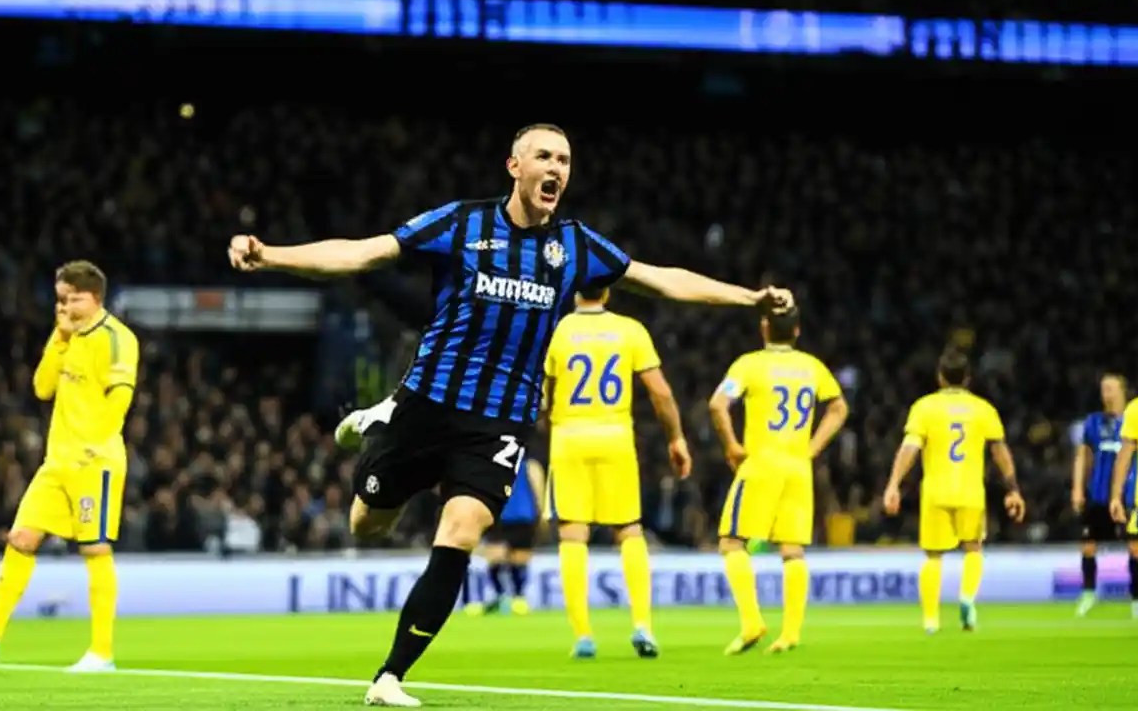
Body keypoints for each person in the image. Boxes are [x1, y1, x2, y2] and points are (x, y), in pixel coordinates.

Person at [229, 123, 792, 707]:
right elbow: (363, 253)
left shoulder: (577, 246)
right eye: (544, 156)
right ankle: (374, 424)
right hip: (428, 403)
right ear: (514, 166)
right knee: (366, 523)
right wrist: (270, 254)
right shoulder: (461, 224)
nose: (556, 168)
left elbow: (661, 280)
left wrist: (746, 297)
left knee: (461, 532)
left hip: (499, 422)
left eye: (566, 160)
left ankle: (389, 676)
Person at [0, 260, 140, 672]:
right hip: (56, 462)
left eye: (73, 299)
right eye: (60, 298)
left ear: (95, 298)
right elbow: (42, 387)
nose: (65, 306)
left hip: (94, 461)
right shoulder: (68, 336)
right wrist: (60, 336)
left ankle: (101, 652)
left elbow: (120, 398)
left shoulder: (118, 338)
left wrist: (92, 444)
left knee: (95, 548)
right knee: (21, 539)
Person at [543, 284, 690, 660]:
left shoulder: (556, 329)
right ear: (607, 292)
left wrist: (547, 420)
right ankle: (643, 625)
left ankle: (584, 636)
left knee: (573, 535)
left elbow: (541, 393)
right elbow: (660, 392)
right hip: (615, 437)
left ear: (575, 291)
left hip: (570, 437)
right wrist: (676, 438)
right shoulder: (630, 330)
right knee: (629, 530)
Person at [709, 307, 849, 655]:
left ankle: (751, 621)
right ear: (797, 331)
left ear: (764, 327)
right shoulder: (812, 367)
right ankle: (790, 633)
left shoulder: (749, 364)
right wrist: (813, 448)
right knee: (792, 550)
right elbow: (839, 408)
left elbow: (717, 405)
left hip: (762, 462)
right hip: (798, 467)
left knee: (731, 542)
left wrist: (731, 446)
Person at [883, 350, 1025, 634]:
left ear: (940, 376)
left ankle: (931, 620)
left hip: (936, 490)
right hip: (971, 491)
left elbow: (910, 447)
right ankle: (966, 598)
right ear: (968, 378)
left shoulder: (925, 407)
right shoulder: (982, 409)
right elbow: (1000, 451)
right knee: (973, 548)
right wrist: (1013, 489)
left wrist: (893, 484)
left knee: (933, 556)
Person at [1072, 373, 1138, 618]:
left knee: (1135, 547)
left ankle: (1137, 599)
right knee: (1089, 545)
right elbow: (1083, 456)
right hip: (1099, 493)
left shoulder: (1135, 418)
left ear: (1123, 391)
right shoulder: (1092, 422)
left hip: (1130, 493)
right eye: (1103, 389)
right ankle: (1089, 594)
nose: (1107, 394)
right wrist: (1078, 488)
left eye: (1111, 388)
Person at [464, 456, 545, 617]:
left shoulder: (519, 463)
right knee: (500, 557)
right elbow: (539, 488)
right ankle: (509, 597)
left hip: (515, 515)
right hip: (509, 515)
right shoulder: (527, 463)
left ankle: (514, 597)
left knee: (514, 558)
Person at [1110, 391, 1138, 618]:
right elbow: (1126, 453)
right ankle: (1137, 600)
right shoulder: (1137, 409)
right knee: (1137, 549)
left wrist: (1115, 495)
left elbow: (1125, 453)